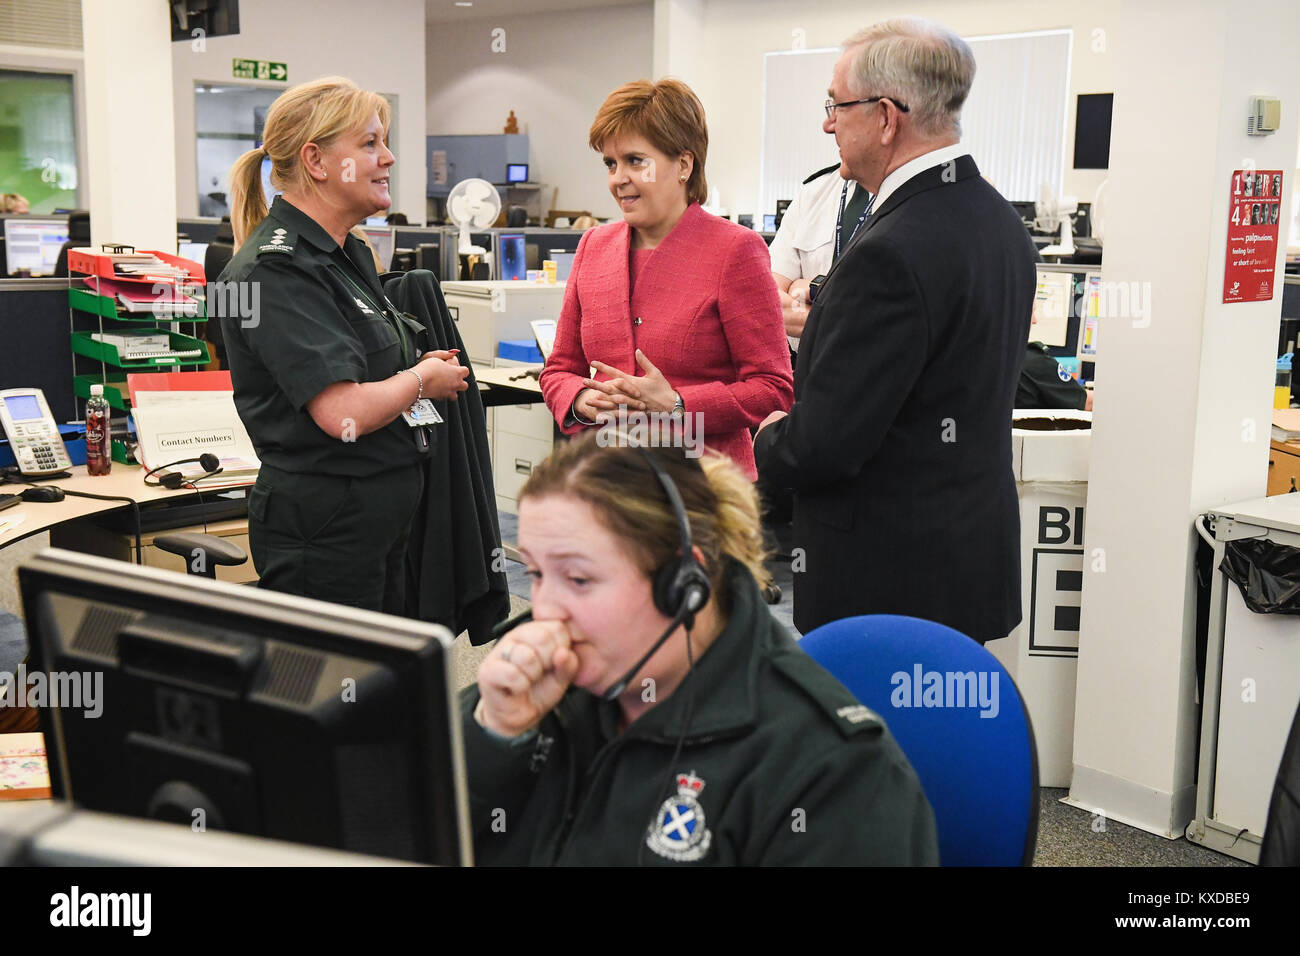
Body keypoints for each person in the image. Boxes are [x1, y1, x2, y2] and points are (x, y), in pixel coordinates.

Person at [463, 434, 938, 865]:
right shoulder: (538, 693)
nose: (546, 611)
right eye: (536, 574)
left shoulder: (834, 774)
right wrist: (493, 735)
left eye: (579, 579)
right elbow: (421, 835)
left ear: (683, 584)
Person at [755, 18, 1037, 643]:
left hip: (885, 586)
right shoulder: (999, 222)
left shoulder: (891, 250)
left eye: (836, 105)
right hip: (960, 565)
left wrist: (770, 435)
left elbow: (823, 446)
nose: (827, 124)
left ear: (886, 118)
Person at [217, 76, 470, 613]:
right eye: (370, 143)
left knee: (384, 664)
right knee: (333, 669)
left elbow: (363, 370)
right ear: (316, 161)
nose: (389, 158)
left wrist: (412, 367)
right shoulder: (275, 271)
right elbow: (343, 412)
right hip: (327, 525)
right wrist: (421, 380)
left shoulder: (345, 255)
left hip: (377, 516)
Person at [539, 79, 793, 481]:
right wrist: (582, 398)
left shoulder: (735, 250)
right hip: (607, 480)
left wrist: (677, 404)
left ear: (684, 165)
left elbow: (772, 388)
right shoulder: (594, 246)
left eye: (635, 161)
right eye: (610, 163)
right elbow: (558, 370)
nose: (618, 178)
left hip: (703, 485)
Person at [769, 161, 874, 354]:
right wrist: (849, 322)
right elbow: (769, 298)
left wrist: (811, 289)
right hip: (807, 362)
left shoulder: (911, 195)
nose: (838, 147)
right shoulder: (813, 193)